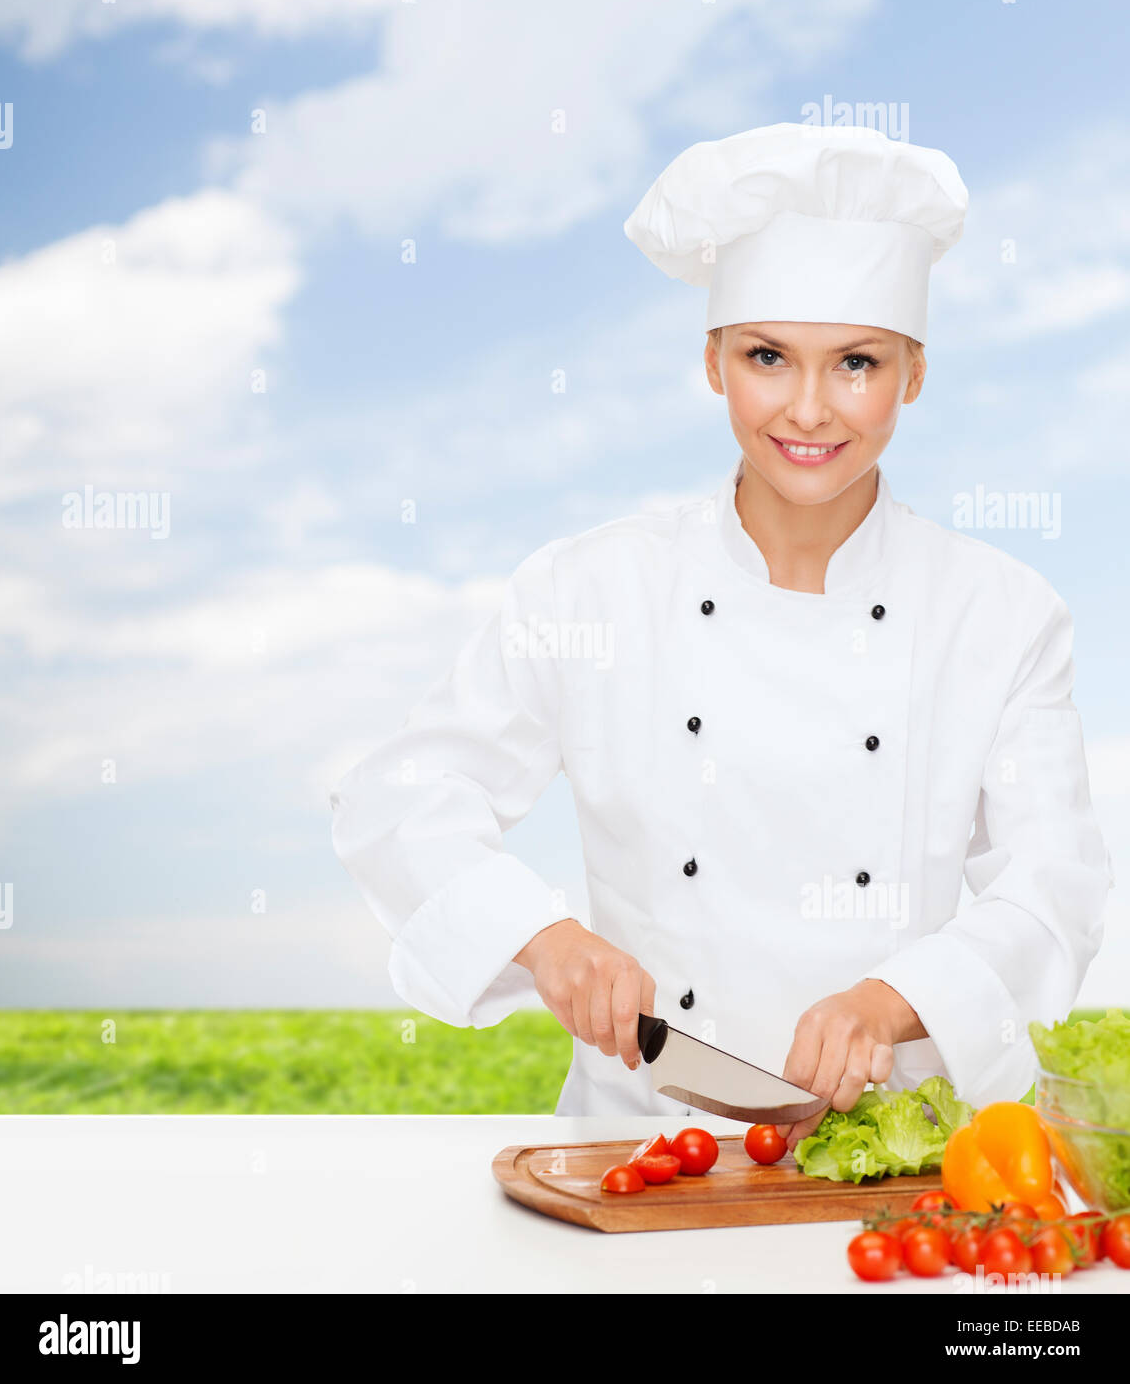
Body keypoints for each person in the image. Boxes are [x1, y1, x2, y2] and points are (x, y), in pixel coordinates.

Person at [331, 124, 1113, 1145]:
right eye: (766, 357)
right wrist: (548, 938)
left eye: (856, 364)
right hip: (641, 1145)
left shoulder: (1000, 612)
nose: (807, 408)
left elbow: (1056, 882)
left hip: (892, 1155)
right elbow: (399, 800)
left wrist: (892, 1000)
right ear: (711, 363)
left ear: (913, 373)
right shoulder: (589, 590)